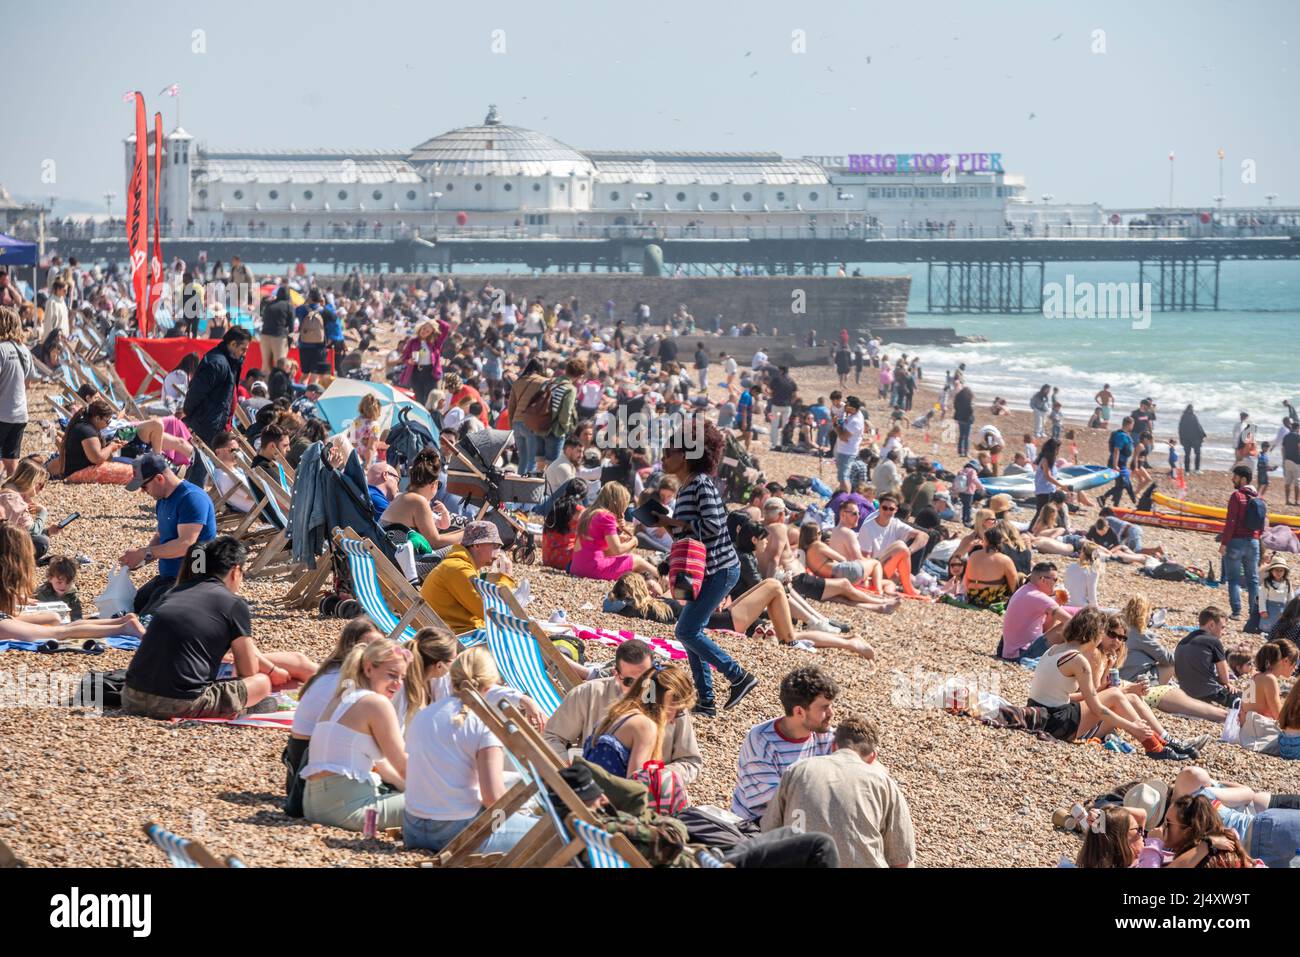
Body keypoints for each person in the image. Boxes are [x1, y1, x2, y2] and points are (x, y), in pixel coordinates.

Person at [123, 537, 315, 720]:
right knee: (261, 683)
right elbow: (247, 672)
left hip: (131, 697)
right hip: (180, 703)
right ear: (235, 571)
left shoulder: (175, 593)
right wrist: (271, 674)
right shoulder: (232, 603)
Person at [655, 419, 756, 718]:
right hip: (706, 569)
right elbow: (690, 535)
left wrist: (672, 523)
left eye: (668, 452)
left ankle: (738, 676)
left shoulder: (699, 484)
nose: (662, 457)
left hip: (720, 569)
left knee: (686, 630)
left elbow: (712, 526)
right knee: (690, 630)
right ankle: (706, 700)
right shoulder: (689, 486)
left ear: (686, 455)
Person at [402, 646, 537, 853]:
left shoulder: (423, 715)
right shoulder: (483, 724)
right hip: (457, 834)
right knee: (556, 831)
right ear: (491, 684)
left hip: (413, 830)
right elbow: (493, 797)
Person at [1026, 607, 1191, 758]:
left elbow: (1063, 697)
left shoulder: (1054, 650)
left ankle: (1160, 742)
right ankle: (1154, 746)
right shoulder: (1077, 660)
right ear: (1095, 633)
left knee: (1120, 696)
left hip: (1041, 716)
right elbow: (1096, 707)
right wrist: (1132, 727)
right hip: (1057, 723)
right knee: (1114, 694)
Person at [760, 712, 916, 868]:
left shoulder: (797, 770)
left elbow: (769, 831)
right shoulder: (883, 783)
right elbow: (902, 859)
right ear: (872, 757)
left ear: (834, 746)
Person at [544, 638, 703, 783]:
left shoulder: (669, 703)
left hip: (653, 792)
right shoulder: (589, 694)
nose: (638, 687)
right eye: (629, 681)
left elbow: (690, 761)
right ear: (615, 673)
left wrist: (664, 777)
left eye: (646, 680)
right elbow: (552, 736)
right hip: (601, 789)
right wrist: (568, 769)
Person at [300, 637, 409, 832]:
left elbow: (384, 768)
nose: (398, 684)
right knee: (452, 806)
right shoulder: (376, 704)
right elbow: (403, 767)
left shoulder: (342, 698)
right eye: (392, 675)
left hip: (313, 806)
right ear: (368, 669)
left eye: (402, 678)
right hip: (352, 812)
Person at [285, 617, 383, 814]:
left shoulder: (328, 673)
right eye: (367, 646)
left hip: (299, 766)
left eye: (378, 647)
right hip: (315, 771)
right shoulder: (346, 683)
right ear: (351, 647)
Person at [0, 525, 146, 644]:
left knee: (60, 632)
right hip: (4, 618)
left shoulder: (5, 572)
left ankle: (124, 627)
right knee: (59, 623)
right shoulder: (7, 573)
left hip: (3, 620)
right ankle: (123, 621)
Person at [732, 666, 838, 824]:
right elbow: (779, 802)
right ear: (799, 712)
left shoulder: (825, 735)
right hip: (756, 828)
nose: (831, 713)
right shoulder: (761, 741)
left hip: (805, 821)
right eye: (824, 707)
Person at [118, 453, 218, 616]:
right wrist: (141, 559)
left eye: (144, 486)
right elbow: (161, 536)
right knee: (125, 610)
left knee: (144, 623)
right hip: (168, 578)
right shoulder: (163, 500)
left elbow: (186, 545)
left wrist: (145, 552)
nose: (143, 492)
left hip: (190, 581)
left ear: (159, 478)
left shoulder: (191, 498)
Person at [582, 664, 697, 778]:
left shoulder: (616, 713)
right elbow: (636, 786)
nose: (674, 721)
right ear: (668, 697)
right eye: (679, 711)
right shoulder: (645, 726)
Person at [418, 520, 515, 638]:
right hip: (451, 637)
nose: (499, 551)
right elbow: (489, 612)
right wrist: (506, 578)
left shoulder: (460, 565)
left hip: (451, 631)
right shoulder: (458, 569)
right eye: (495, 545)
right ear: (477, 545)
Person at [182, 327, 252, 487]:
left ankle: (187, 496)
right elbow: (195, 393)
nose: (244, 353)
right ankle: (191, 502)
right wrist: (192, 415)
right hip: (207, 421)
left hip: (215, 420)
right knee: (201, 464)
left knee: (201, 464)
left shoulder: (228, 361)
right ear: (233, 344)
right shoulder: (216, 362)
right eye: (243, 349)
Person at [569, 481, 659, 581]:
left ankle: (655, 579)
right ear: (618, 502)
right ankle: (663, 578)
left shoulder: (588, 513)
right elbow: (617, 550)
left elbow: (595, 544)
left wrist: (619, 537)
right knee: (637, 560)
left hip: (577, 567)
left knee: (628, 559)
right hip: (593, 569)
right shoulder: (606, 516)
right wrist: (634, 541)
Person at [999, 562, 1072, 661]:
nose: (1056, 584)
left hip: (1011, 652)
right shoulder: (1038, 596)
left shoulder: (1025, 590)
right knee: (1069, 626)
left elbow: (1044, 629)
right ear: (1042, 580)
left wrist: (1058, 603)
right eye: (1055, 580)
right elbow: (1070, 621)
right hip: (1022, 653)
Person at [1173, 606, 1239, 707]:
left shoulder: (1183, 641)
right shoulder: (1213, 641)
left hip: (1185, 694)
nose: (1224, 632)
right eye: (1222, 627)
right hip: (1208, 693)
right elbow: (1224, 675)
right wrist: (1227, 684)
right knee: (1248, 699)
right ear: (1212, 625)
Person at [1220, 465, 1262, 620]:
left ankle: (1237, 612)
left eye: (1235, 476)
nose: (1233, 479)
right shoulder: (1258, 497)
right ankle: (1253, 613)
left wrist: (1224, 543)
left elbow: (1230, 521)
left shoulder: (1237, 496)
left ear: (1243, 479)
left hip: (1236, 542)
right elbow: (1262, 523)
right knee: (1253, 579)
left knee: (1233, 579)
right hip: (1253, 542)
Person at [0, 307, 34, 478]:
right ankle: (13, 497)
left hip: (2, 412)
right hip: (20, 414)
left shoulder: (1, 349)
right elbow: (28, 382)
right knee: (11, 460)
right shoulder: (25, 350)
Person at [1241, 639, 1297, 723]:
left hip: (1247, 732)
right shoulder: (1269, 679)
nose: (1295, 668)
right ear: (1285, 661)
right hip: (1260, 733)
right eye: (1295, 663)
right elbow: (1279, 717)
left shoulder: (1255, 677)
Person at [962, 527, 1020, 610]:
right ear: (1001, 541)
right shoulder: (1004, 559)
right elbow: (1013, 581)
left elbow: (967, 578)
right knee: (1019, 576)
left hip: (972, 596)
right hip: (991, 599)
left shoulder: (973, 555)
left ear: (985, 539)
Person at [258, 285, 294, 374]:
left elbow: (262, 316)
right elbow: (291, 327)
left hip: (265, 336)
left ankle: (265, 386)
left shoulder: (269, 304)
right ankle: (278, 385)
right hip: (279, 337)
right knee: (280, 365)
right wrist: (290, 342)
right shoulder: (288, 306)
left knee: (266, 365)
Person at [832, 395, 865, 490]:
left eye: (847, 405)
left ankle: (845, 498)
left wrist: (835, 425)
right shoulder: (854, 415)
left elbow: (843, 436)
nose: (845, 406)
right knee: (842, 477)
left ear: (853, 408)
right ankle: (843, 494)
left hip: (847, 452)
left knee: (844, 477)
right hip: (844, 450)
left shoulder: (855, 421)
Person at [36, 555, 83, 620]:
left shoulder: (71, 594)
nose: (63, 586)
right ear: (50, 578)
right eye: (59, 582)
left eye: (68, 582)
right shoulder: (41, 593)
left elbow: (77, 615)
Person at [1105, 416, 1137, 506]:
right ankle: (1104, 498)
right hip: (1117, 463)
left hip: (1122, 464)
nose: (1132, 427)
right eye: (1132, 425)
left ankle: (1116, 504)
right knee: (1122, 484)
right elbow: (1116, 450)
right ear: (1129, 424)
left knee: (1123, 484)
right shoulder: (1121, 436)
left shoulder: (1125, 434)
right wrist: (1115, 465)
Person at [1063, 541, 1104, 607]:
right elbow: (1092, 595)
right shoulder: (1092, 571)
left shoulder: (1071, 566)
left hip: (1066, 604)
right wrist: (1096, 610)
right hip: (1081, 608)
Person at [1281, 419, 1300, 506]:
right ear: (1297, 428)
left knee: (1288, 482)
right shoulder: (1298, 436)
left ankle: (1287, 500)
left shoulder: (1286, 436)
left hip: (1287, 461)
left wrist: (1284, 460)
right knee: (1297, 482)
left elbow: (1283, 449)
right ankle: (1296, 501)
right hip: (1296, 462)